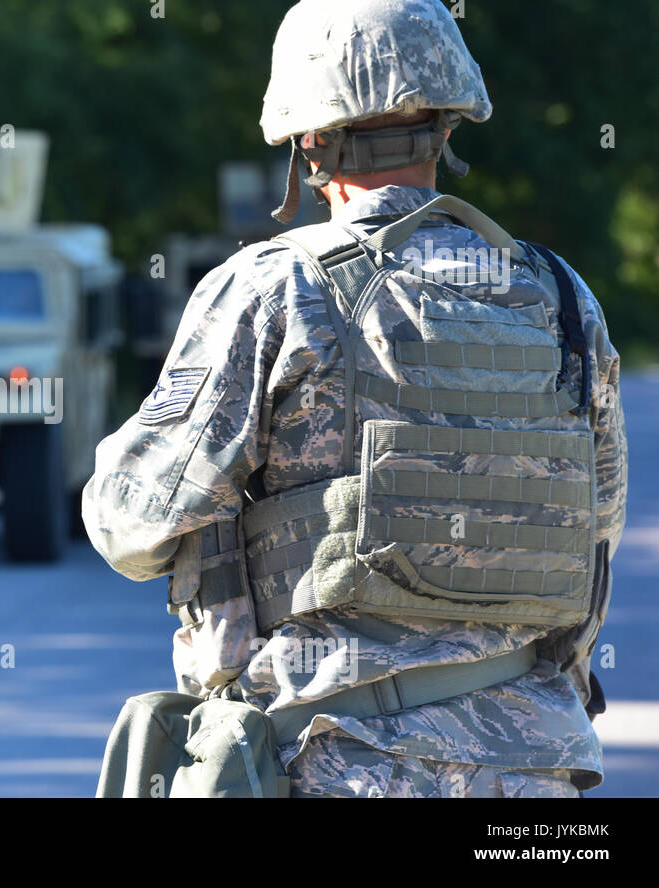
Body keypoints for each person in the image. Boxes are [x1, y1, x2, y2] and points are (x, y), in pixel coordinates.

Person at [83, 0, 627, 797]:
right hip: (537, 768)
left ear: (308, 143)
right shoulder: (559, 294)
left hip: (338, 759)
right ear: (448, 126)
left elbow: (133, 523)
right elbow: (597, 527)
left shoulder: (275, 288)